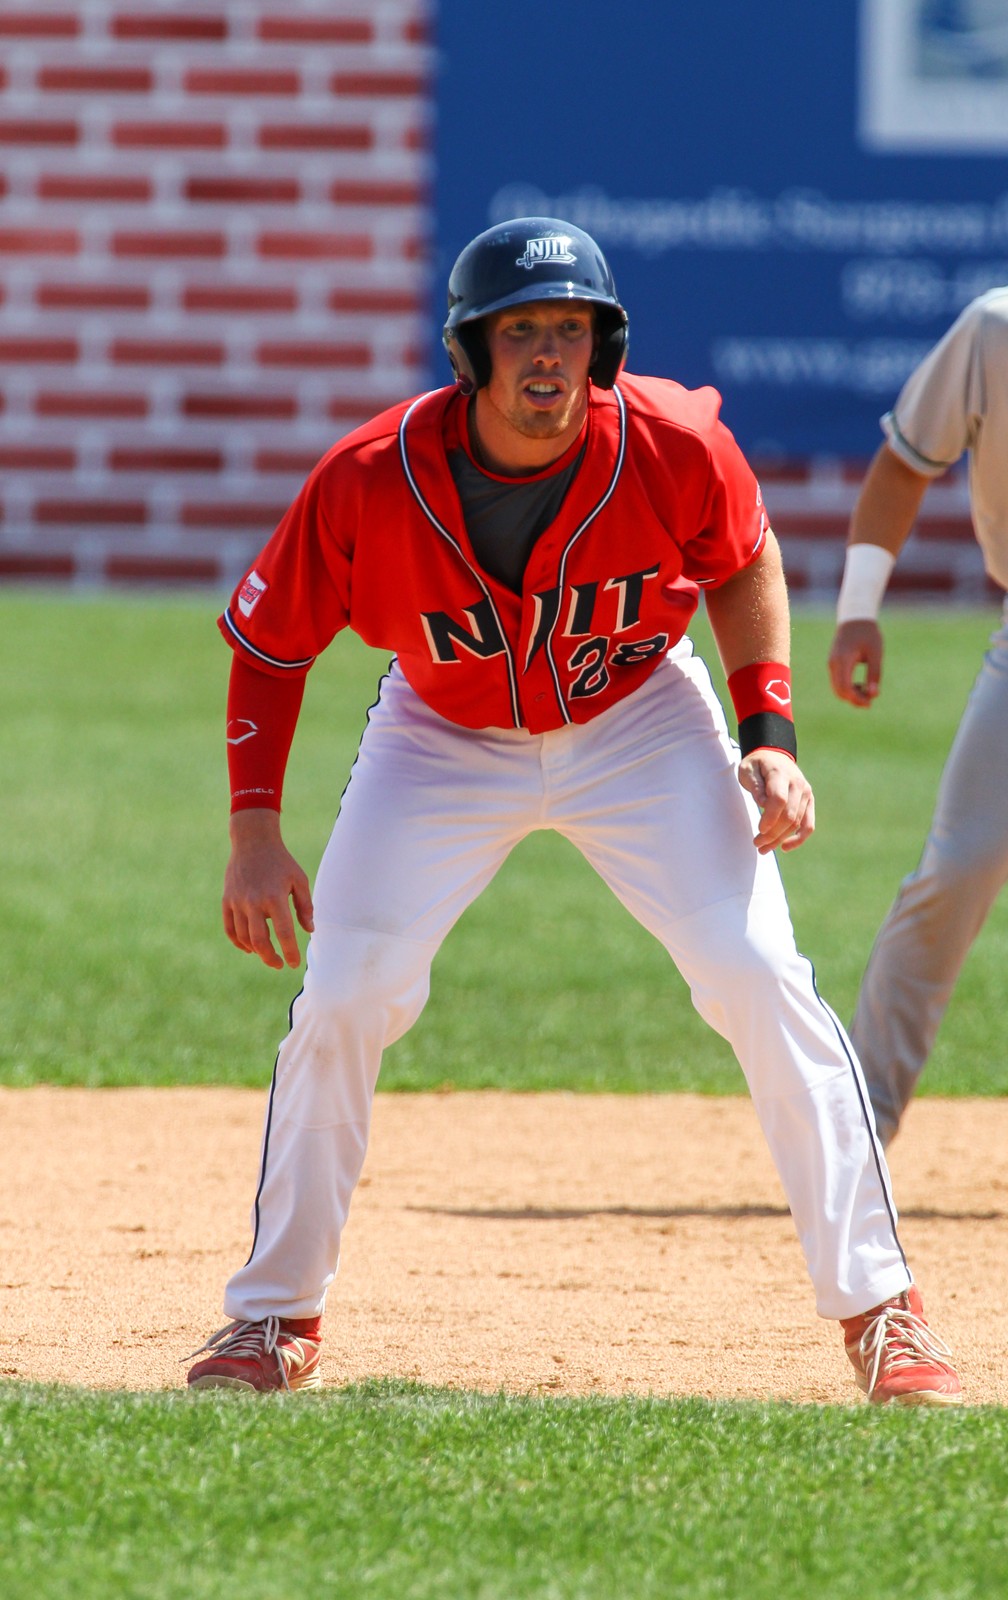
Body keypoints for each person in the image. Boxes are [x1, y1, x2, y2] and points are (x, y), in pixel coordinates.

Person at [185, 217, 961, 1405]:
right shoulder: (365, 478)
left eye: (571, 329)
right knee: (345, 990)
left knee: (754, 970)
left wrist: (768, 740)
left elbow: (743, 557)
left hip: (636, 719)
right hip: (441, 735)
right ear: (471, 352)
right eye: (520, 331)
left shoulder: (669, 439)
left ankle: (880, 1311)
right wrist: (251, 831)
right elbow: (268, 646)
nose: (548, 354)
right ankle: (273, 1316)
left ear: (601, 347)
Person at [828, 268, 1008, 1148]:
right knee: (955, 872)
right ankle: (859, 1130)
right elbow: (903, 464)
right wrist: (857, 608)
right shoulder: (1001, 330)